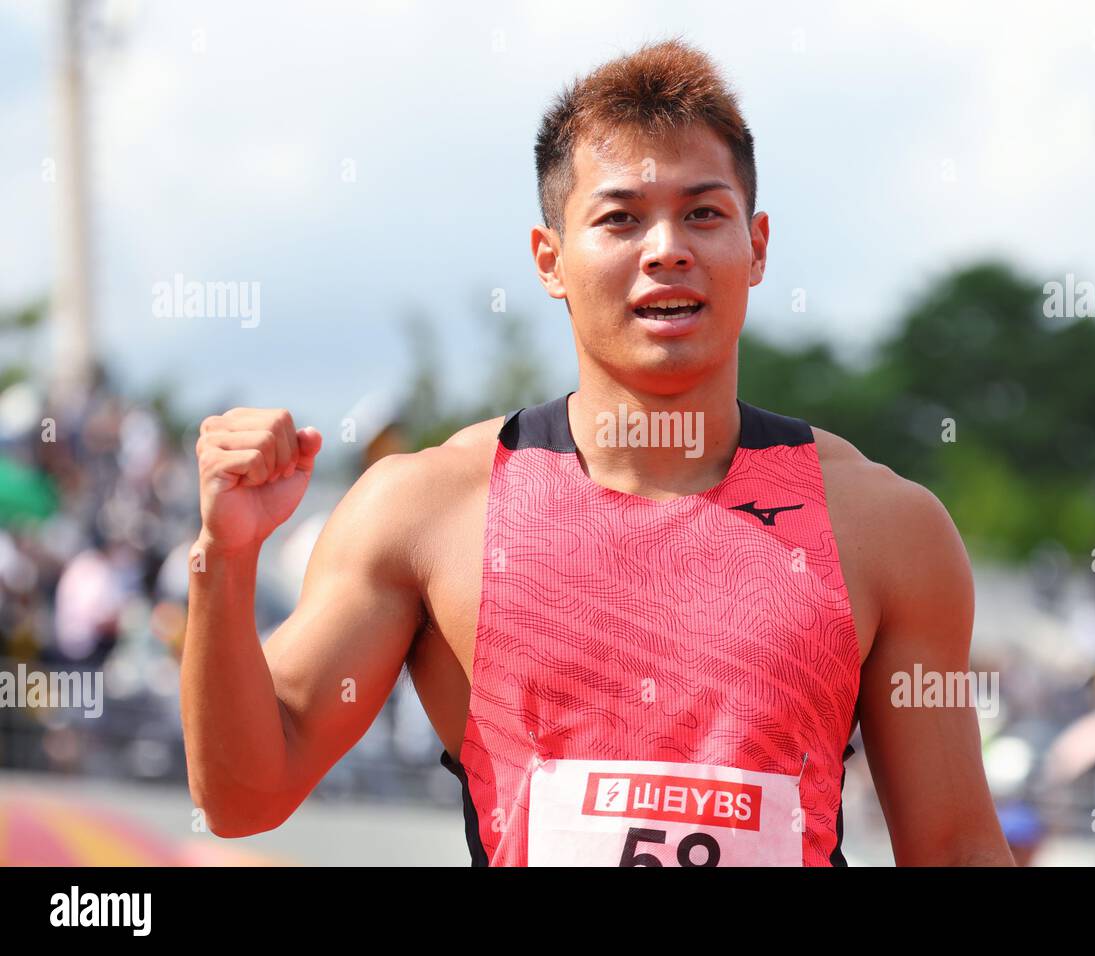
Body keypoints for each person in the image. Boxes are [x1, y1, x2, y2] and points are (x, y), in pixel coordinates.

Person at [180, 36, 1012, 866]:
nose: (666, 250)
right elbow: (243, 796)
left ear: (757, 247)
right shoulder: (428, 509)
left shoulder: (884, 527)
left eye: (704, 213)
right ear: (550, 261)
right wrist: (226, 557)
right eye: (620, 218)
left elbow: (955, 849)